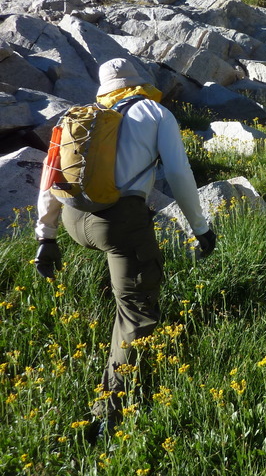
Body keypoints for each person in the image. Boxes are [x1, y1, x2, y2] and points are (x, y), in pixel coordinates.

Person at [33, 57, 216, 440]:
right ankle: (108, 415)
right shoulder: (155, 111)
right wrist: (200, 228)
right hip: (118, 222)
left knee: (121, 289)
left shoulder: (82, 115)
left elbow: (51, 175)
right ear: (138, 80)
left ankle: (112, 353)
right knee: (136, 310)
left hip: (73, 219)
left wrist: (45, 237)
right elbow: (180, 173)